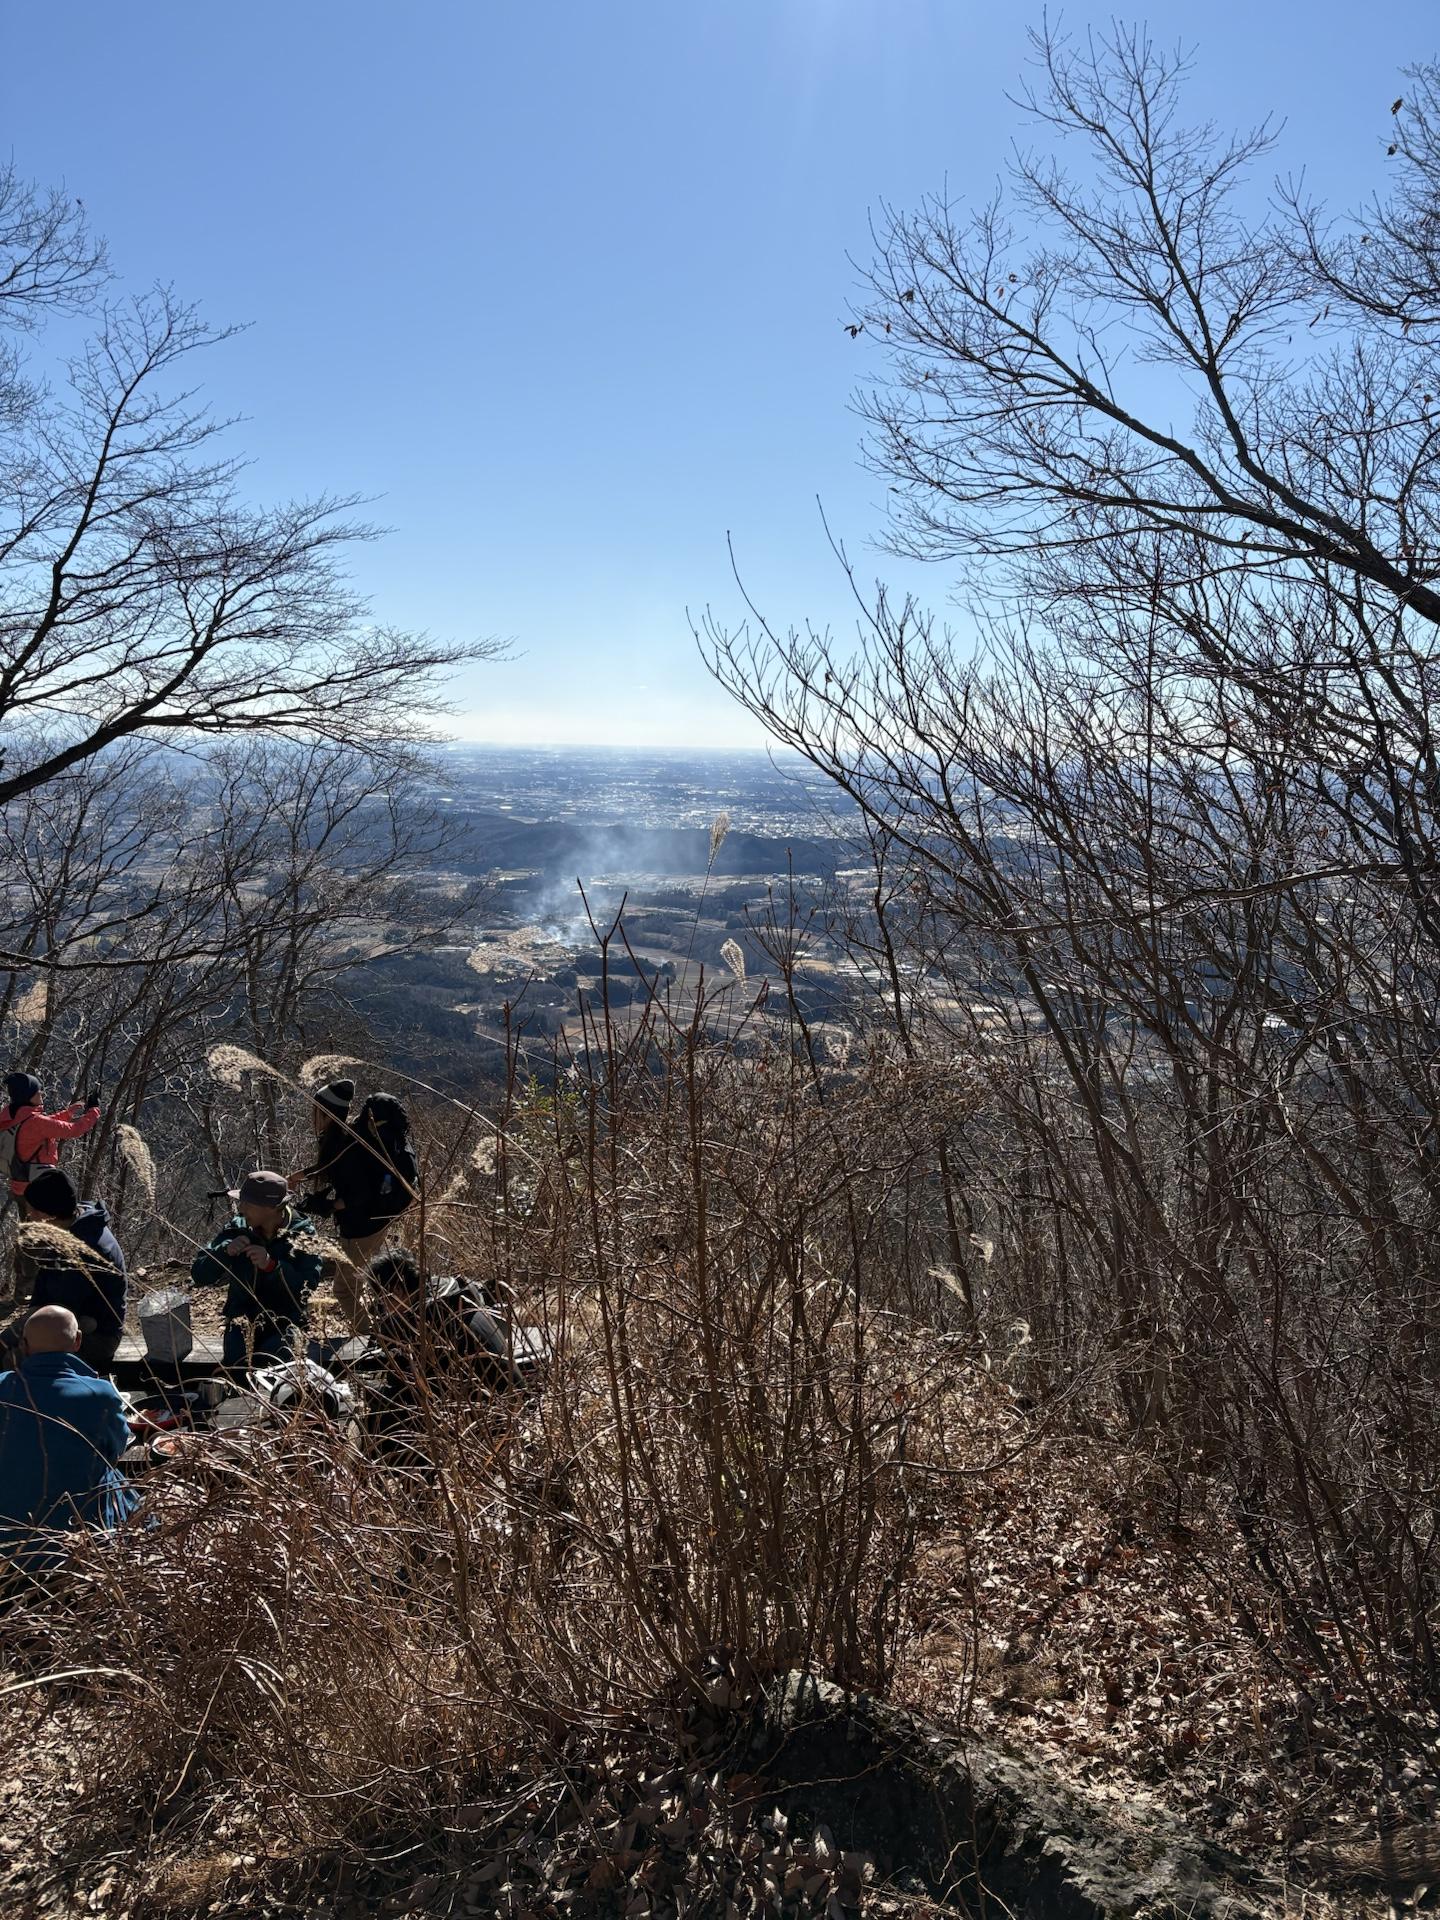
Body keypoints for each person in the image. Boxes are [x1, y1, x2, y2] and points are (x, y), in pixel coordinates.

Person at [0, 1305, 138, 1576]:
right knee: (117, 1482)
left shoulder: (3, 1386)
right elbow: (115, 1450)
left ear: (24, 1346)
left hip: (8, 1542)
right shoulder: (100, 1394)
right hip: (77, 1542)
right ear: (78, 1341)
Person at [297, 1084, 415, 1333]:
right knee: (363, 1281)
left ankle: (370, 1338)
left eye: (316, 1110)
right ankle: (384, 1327)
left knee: (345, 1290)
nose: (312, 1116)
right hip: (377, 1221)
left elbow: (360, 1194)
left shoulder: (346, 1144)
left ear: (326, 1114)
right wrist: (298, 1177)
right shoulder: (349, 1136)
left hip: (361, 1228)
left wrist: (329, 1206)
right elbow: (332, 1167)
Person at [190, 1170, 323, 1373]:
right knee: (237, 1370)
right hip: (242, 1320)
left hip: (285, 1322)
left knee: (275, 1370)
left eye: (247, 1204)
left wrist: (272, 1266)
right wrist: (224, 1251)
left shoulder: (302, 1233)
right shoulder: (237, 1228)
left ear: (271, 1208)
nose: (241, 1209)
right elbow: (199, 1274)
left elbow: (307, 1285)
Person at [4, 1169, 127, 1376]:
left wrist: (21, 1338)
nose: (29, 1216)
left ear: (49, 1214)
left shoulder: (87, 1247)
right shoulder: (68, 1228)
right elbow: (43, 1296)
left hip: (93, 1336)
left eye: (33, 1211)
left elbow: (62, 1311)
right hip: (62, 1319)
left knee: (14, 1362)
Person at [0, 1073, 101, 1199]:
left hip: (20, 1184)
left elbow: (43, 1125)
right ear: (27, 1096)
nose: (41, 1093)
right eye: (37, 1091)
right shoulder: (36, 1122)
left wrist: (67, 1113)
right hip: (38, 1186)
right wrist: (94, 1111)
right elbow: (74, 1130)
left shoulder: (12, 1116)